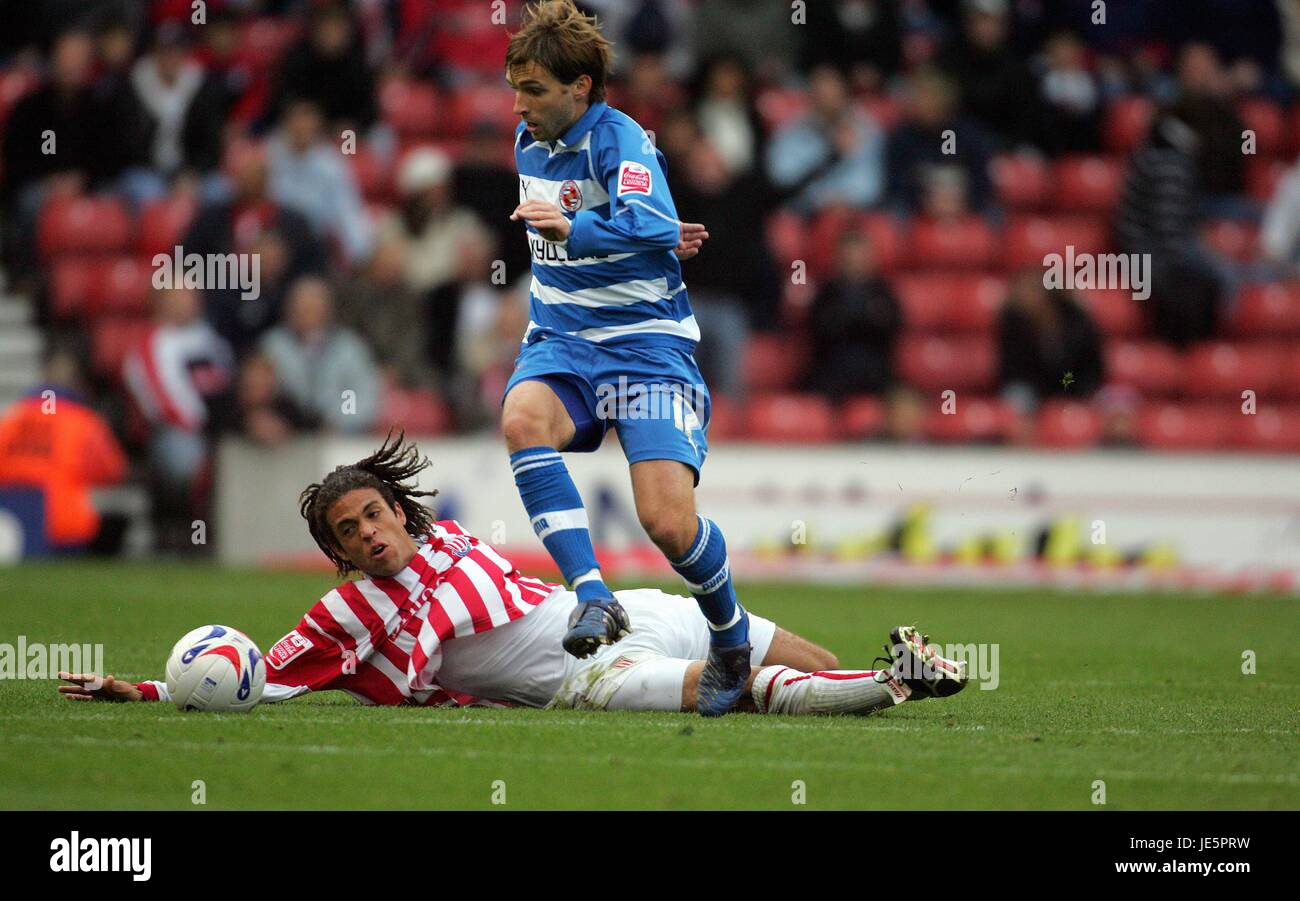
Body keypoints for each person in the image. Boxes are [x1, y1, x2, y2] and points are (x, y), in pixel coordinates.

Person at [57, 433, 969, 715]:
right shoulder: (346, 614)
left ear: (401, 511)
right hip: (593, 674)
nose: (370, 533)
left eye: (374, 512)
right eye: (350, 530)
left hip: (624, 610)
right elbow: (254, 672)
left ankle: (870, 675)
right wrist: (142, 689)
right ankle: (901, 680)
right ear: (338, 553)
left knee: (766, 642)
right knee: (744, 688)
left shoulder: (449, 533)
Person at [501, 0, 759, 716]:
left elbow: (649, 216)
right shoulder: (529, 143)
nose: (520, 105)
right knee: (522, 419)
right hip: (562, 339)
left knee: (670, 524)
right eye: (516, 89)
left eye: (535, 91)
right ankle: (592, 595)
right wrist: (632, 234)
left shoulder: (620, 138)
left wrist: (599, 226)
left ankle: (730, 635)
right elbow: (641, 228)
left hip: (645, 349)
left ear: (580, 87)